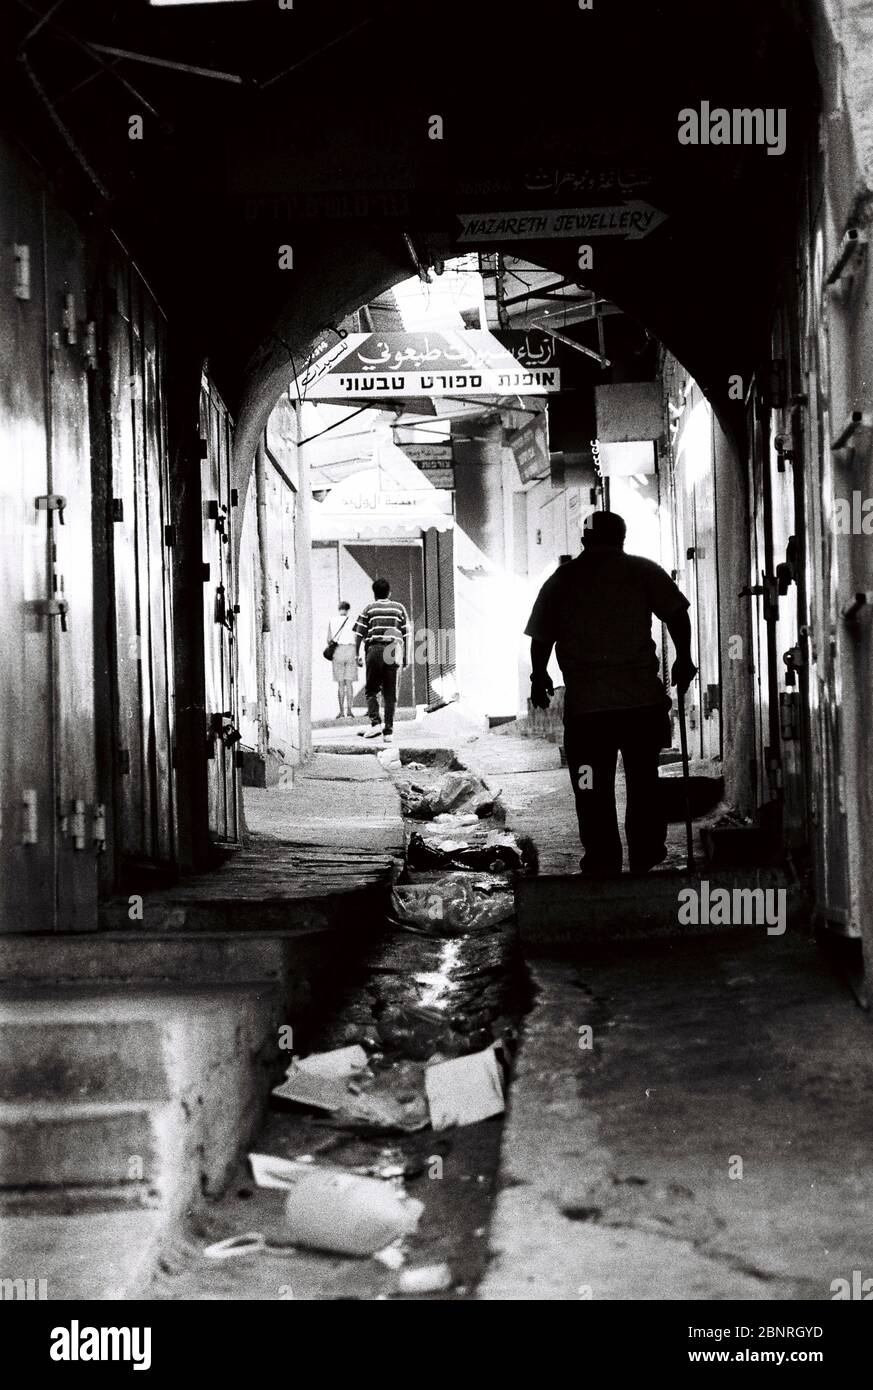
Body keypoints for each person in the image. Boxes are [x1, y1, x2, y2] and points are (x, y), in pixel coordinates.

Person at [524, 510, 697, 877]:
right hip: (640, 706)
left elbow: (542, 637)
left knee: (590, 785)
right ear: (622, 537)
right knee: (643, 782)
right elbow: (677, 614)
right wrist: (684, 657)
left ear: (585, 541)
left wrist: (539, 676)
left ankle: (602, 861)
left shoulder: (563, 579)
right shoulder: (643, 570)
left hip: (589, 714)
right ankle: (646, 857)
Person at [352, 577, 410, 743]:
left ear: (374, 594)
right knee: (390, 693)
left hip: (374, 650)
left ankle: (375, 723)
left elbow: (358, 633)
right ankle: (388, 731)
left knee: (372, 690)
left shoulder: (369, 609)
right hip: (393, 650)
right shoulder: (399, 608)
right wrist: (406, 656)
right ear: (389, 592)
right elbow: (406, 634)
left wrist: (357, 654)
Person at [327, 600, 358, 718]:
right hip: (350, 650)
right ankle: (350, 710)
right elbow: (356, 638)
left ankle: (341, 711)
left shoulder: (332, 621)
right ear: (348, 609)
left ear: (339, 608)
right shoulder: (353, 621)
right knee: (349, 684)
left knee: (340, 684)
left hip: (338, 652)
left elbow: (329, 639)